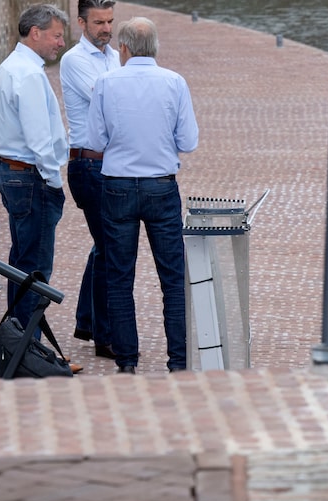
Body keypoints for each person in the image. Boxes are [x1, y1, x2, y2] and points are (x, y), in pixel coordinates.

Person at [86, 17, 199, 373]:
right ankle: (178, 362)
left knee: (120, 277)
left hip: (118, 184)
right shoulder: (174, 82)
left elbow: (94, 142)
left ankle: (127, 362)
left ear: (124, 48)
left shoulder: (106, 82)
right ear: (155, 48)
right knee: (173, 278)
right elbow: (188, 142)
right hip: (161, 186)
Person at [0, 4, 81, 374]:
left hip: (16, 175)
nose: (61, 42)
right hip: (30, 178)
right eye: (57, 35)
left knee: (22, 265)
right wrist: (54, 181)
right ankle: (26, 356)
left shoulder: (15, 67)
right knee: (35, 271)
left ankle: (19, 348)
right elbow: (38, 139)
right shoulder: (26, 74)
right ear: (35, 33)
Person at [60, 0, 119, 360]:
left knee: (104, 245)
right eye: (99, 22)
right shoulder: (74, 60)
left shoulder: (114, 57)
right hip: (88, 165)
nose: (107, 28)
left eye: (110, 21)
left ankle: (88, 321)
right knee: (111, 247)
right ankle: (105, 335)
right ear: (81, 22)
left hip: (110, 165)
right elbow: (109, 100)